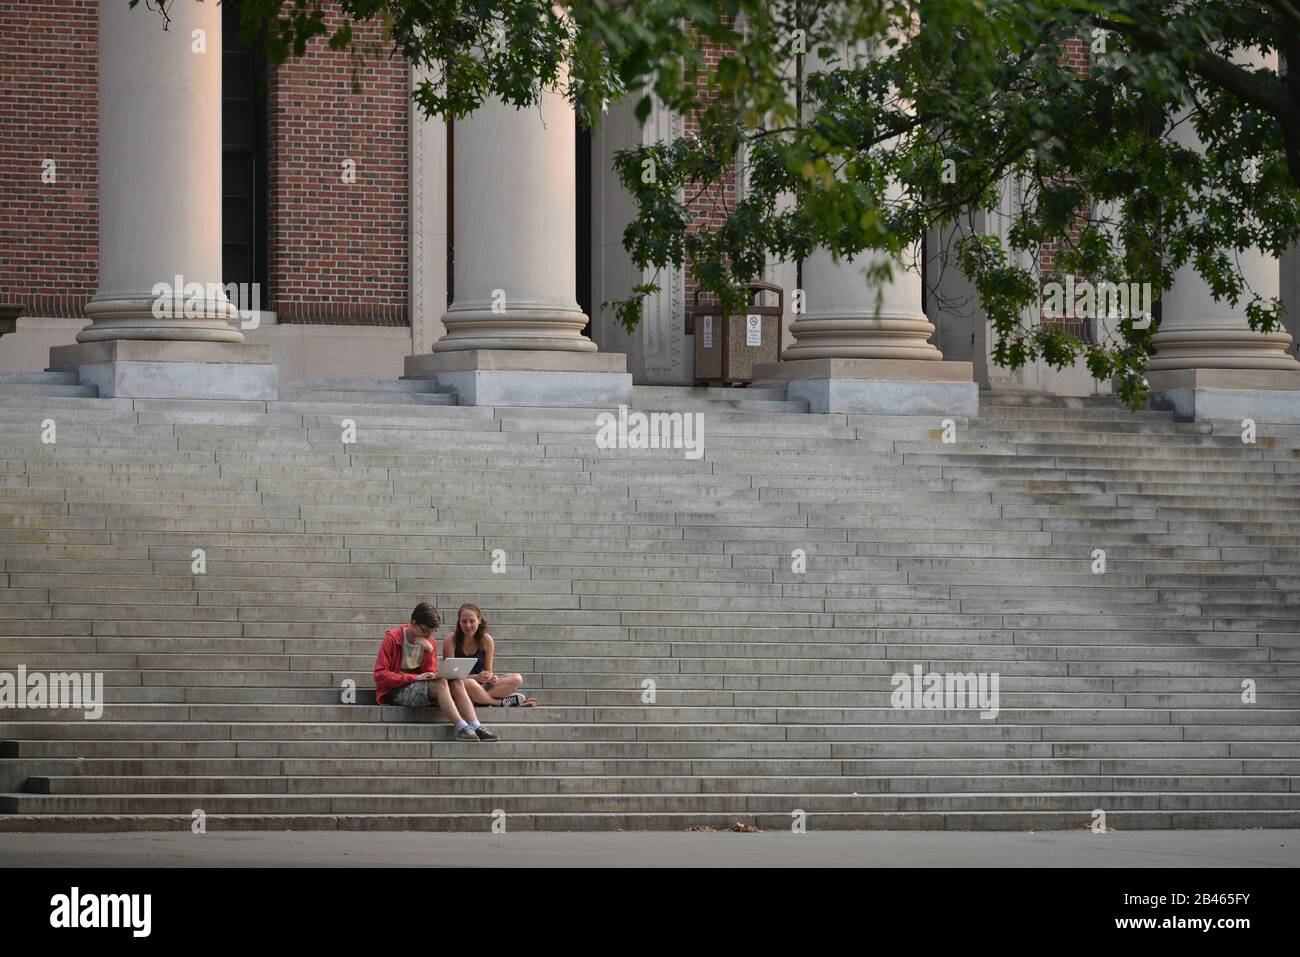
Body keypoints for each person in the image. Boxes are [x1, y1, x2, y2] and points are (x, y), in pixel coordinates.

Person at [373, 602, 498, 741]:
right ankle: (461, 727)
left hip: (419, 686)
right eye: (426, 631)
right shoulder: (393, 639)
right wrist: (414, 678)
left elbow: (429, 672)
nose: (429, 635)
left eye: (432, 632)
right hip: (395, 689)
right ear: (413, 623)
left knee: (455, 680)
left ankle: (476, 726)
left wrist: (428, 652)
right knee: (441, 684)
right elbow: (380, 674)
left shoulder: (430, 642)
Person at [442, 603, 537, 707]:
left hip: (481, 686)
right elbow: (449, 676)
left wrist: (491, 678)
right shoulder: (451, 639)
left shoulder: (487, 640)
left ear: (479, 620)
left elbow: (488, 672)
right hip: (459, 685)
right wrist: (475, 678)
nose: (468, 625)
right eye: (464, 621)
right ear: (459, 622)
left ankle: (476, 699)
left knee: (517, 678)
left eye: (472, 621)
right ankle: (498, 702)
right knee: (471, 684)